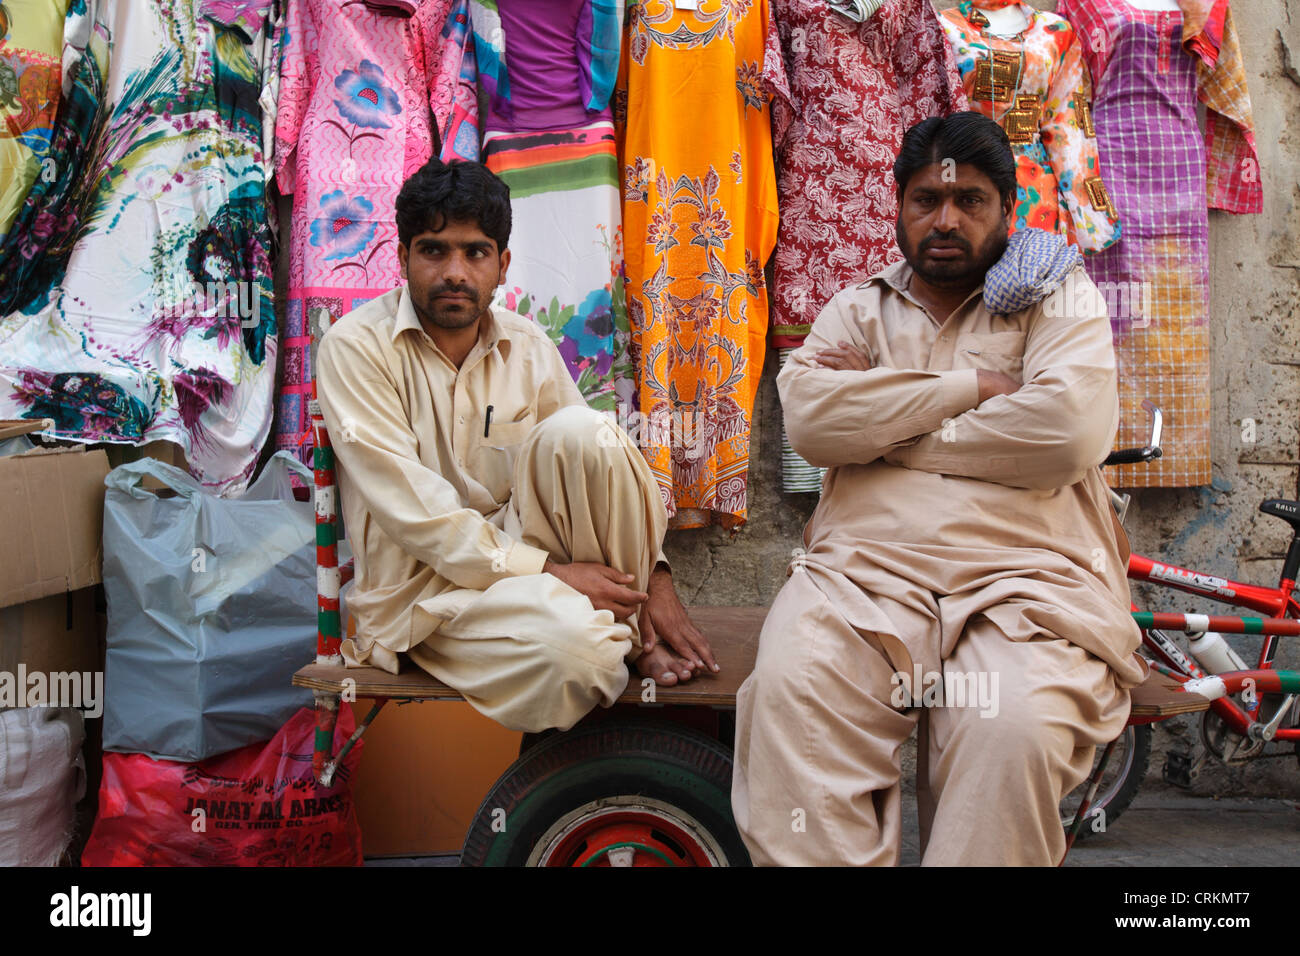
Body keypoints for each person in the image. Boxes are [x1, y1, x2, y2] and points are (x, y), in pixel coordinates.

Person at [731, 112, 1146, 866]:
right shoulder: (860, 309)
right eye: (926, 199)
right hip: (860, 578)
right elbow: (814, 424)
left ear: (1007, 209)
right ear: (897, 207)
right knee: (793, 702)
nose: (945, 219)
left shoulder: (1059, 298)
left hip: (1030, 586)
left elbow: (1067, 432)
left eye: (971, 201)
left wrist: (889, 435)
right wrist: (973, 387)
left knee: (1010, 729)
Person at [315, 159, 717, 734]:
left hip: (526, 564)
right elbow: (418, 513)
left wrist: (656, 579)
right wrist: (552, 573)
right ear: (403, 257)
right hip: (425, 598)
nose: (455, 271)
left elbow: (598, 468)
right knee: (581, 658)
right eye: (434, 250)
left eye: (475, 252)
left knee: (589, 434)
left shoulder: (526, 343)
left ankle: (635, 625)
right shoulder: (356, 348)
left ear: (502, 264)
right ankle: (625, 641)